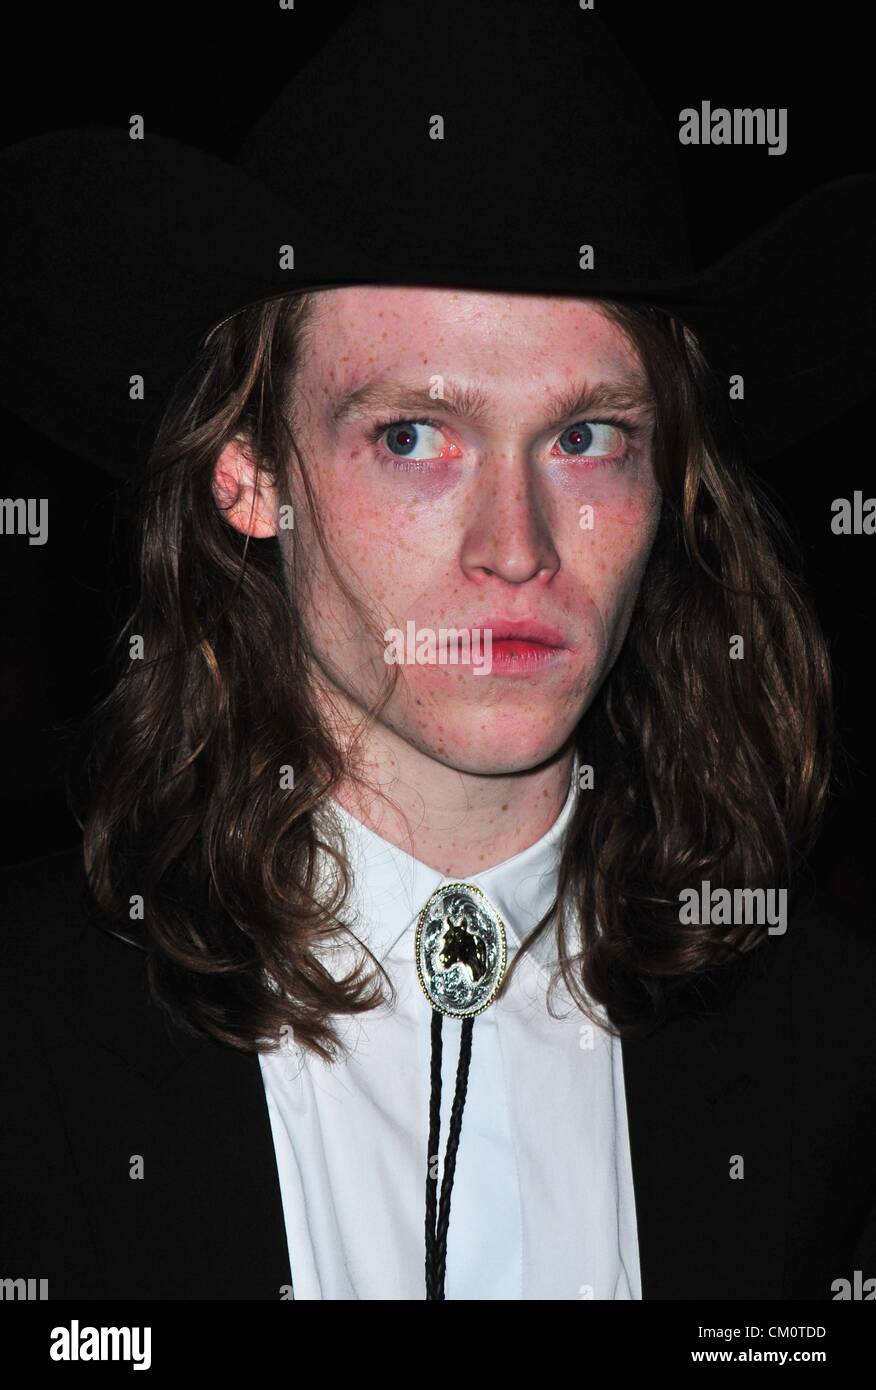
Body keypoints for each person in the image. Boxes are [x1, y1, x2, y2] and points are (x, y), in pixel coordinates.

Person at [1, 0, 874, 1301]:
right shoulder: (31, 1055)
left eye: (588, 437)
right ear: (250, 477)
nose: (516, 547)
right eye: (413, 435)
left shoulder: (832, 1051)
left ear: (672, 482)